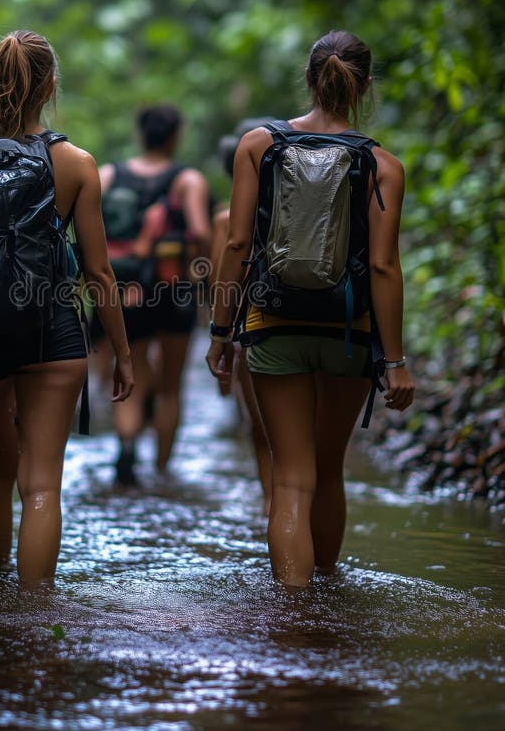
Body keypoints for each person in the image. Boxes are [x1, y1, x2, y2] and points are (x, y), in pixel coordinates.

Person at [0, 29, 134, 584]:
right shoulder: (75, 163)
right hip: (52, 332)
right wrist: (122, 353)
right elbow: (98, 272)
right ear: (50, 85)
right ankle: (34, 613)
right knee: (41, 485)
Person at [207, 30, 415, 587]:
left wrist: (220, 332)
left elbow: (236, 244)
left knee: (291, 479)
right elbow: (383, 267)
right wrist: (395, 361)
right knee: (329, 470)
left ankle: (294, 612)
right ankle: (325, 598)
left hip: (274, 324)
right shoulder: (383, 166)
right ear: (365, 87)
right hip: (350, 331)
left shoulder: (258, 145)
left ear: (308, 78)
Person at [94, 104, 211, 485]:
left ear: (141, 134)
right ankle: (162, 472)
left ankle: (127, 447)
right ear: (175, 136)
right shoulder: (187, 180)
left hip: (127, 288)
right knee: (171, 385)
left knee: (132, 371)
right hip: (173, 288)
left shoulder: (109, 174)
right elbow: (200, 233)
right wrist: (201, 276)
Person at [210, 120, 272, 513]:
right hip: (333, 320)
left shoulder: (226, 220)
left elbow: (221, 280)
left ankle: (272, 504)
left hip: (255, 324)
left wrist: (220, 337)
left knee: (263, 430)